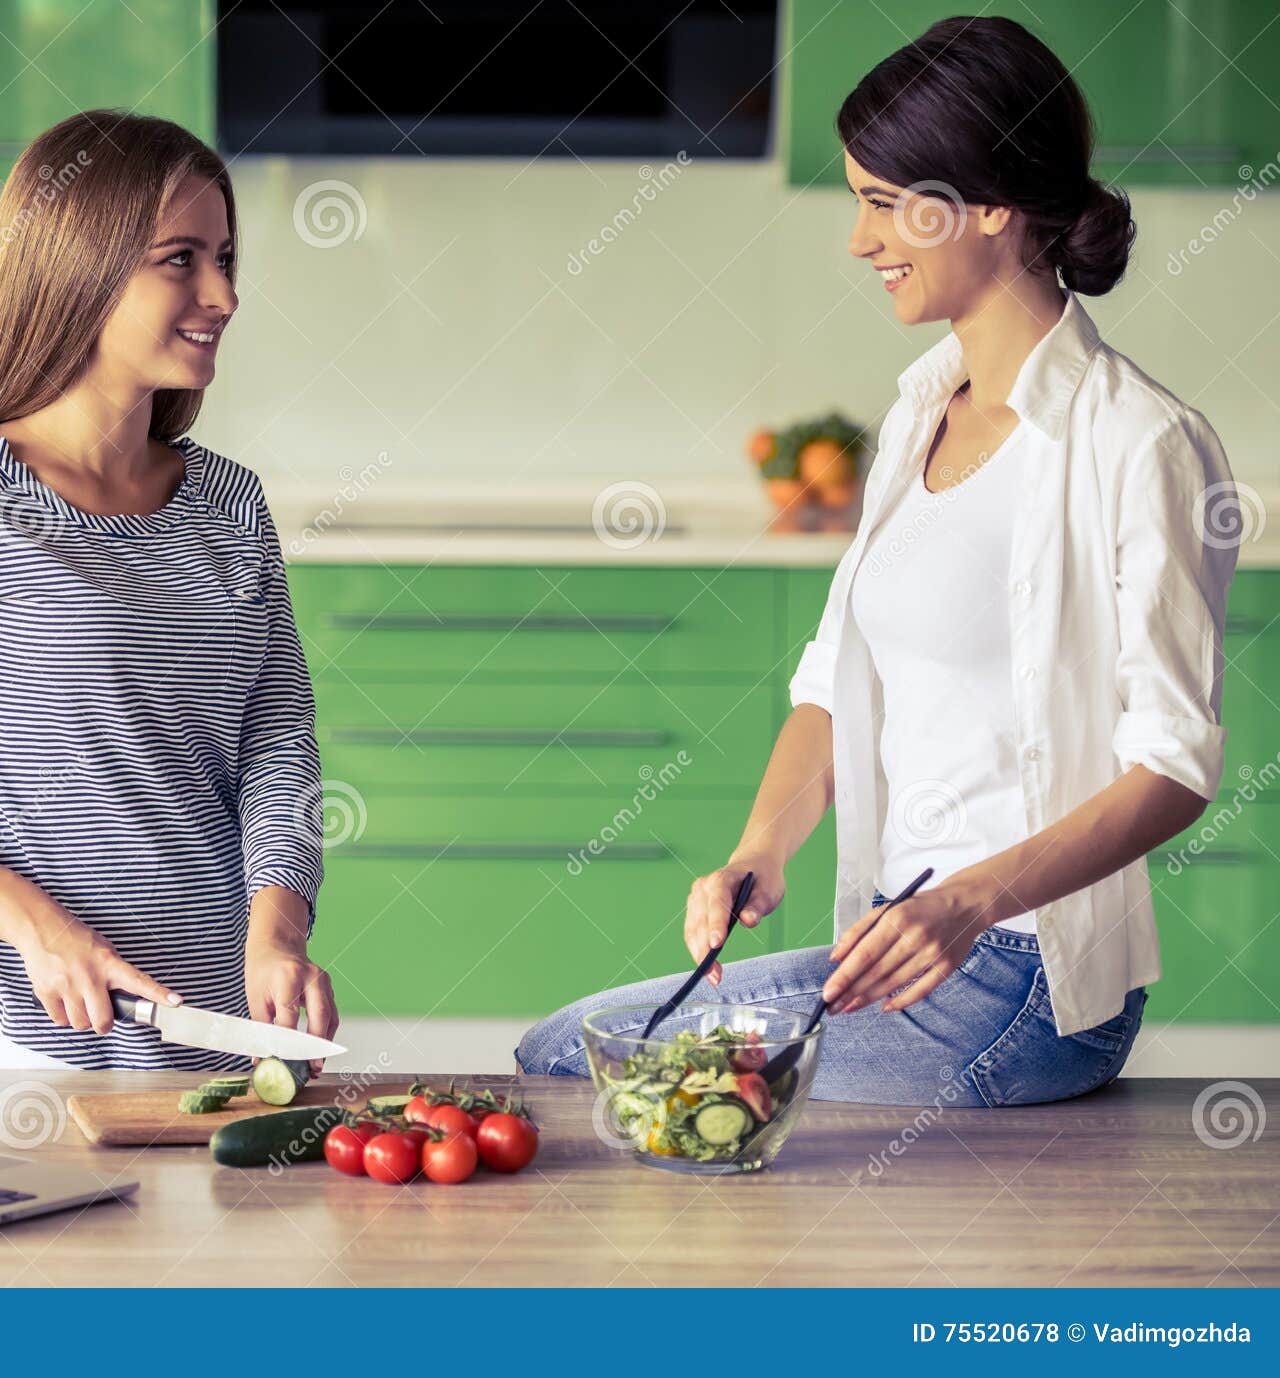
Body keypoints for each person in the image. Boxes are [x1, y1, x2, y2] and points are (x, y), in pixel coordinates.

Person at [517, 17, 1239, 1106]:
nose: (861, 240)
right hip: (894, 947)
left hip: (1024, 985)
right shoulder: (915, 412)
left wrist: (965, 903)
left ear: (991, 204)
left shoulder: (1138, 442)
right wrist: (762, 846)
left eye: (885, 201)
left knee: (601, 1076)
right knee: (563, 1050)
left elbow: (1173, 765)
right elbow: (834, 680)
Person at [0, 110, 336, 1071]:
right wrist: (37, 929)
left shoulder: (228, 499)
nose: (222, 294)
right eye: (182, 259)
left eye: (226, 258)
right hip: (31, 1045)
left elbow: (276, 745)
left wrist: (280, 928)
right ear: (78, 271)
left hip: (229, 1038)